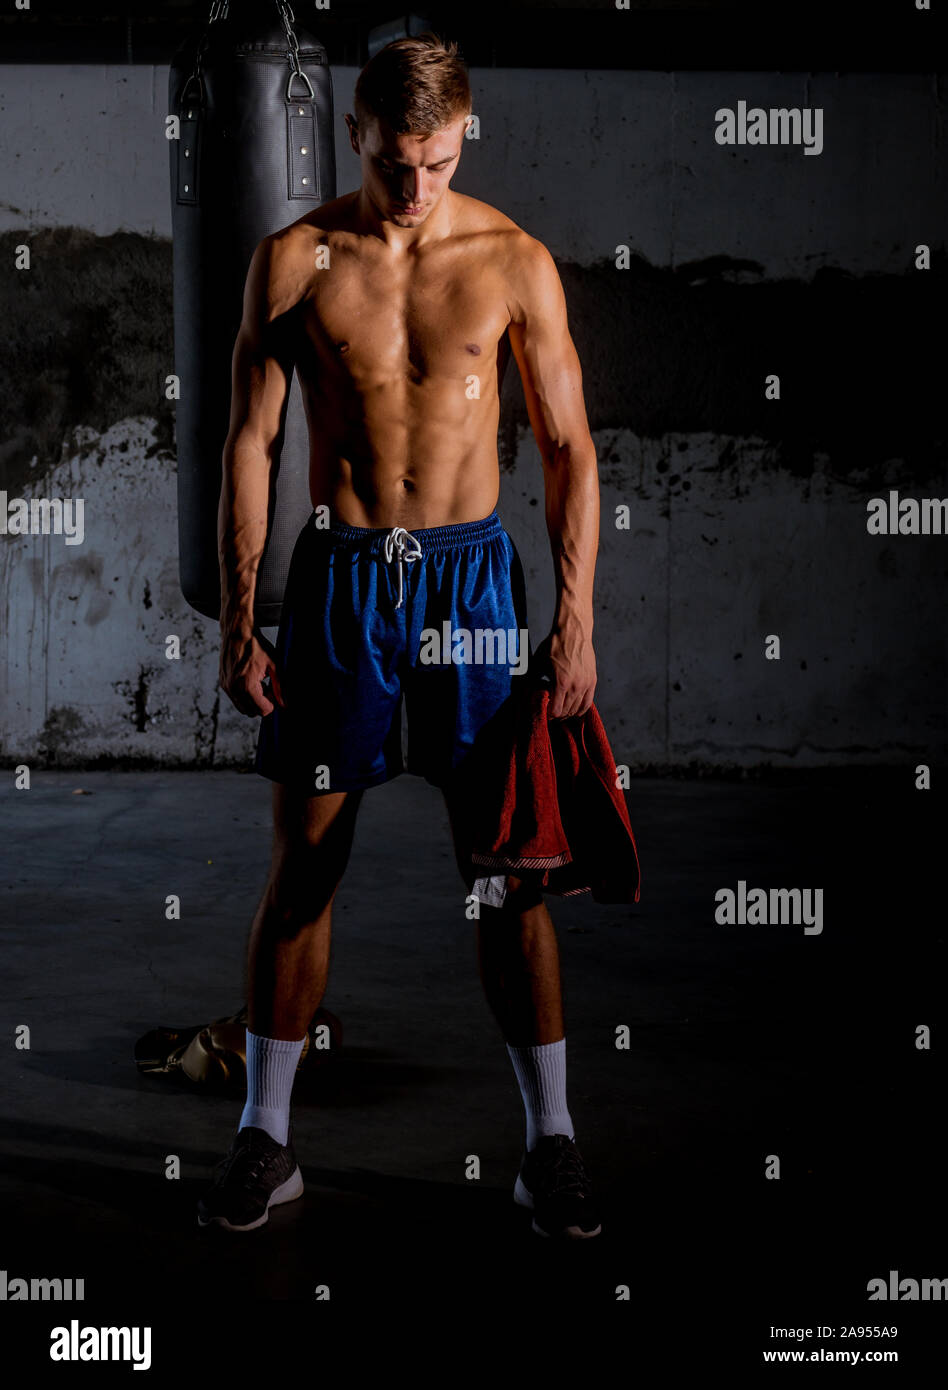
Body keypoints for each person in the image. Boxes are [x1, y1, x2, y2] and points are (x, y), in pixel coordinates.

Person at [198, 32, 602, 1239]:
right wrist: (238, 616)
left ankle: (551, 1145)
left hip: (473, 593)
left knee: (510, 881)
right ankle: (265, 1140)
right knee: (305, 868)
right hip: (343, 591)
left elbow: (574, 449)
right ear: (354, 138)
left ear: (461, 135)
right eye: (391, 166)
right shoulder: (296, 260)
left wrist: (575, 617)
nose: (413, 192)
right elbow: (250, 442)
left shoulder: (513, 262)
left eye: (433, 163)